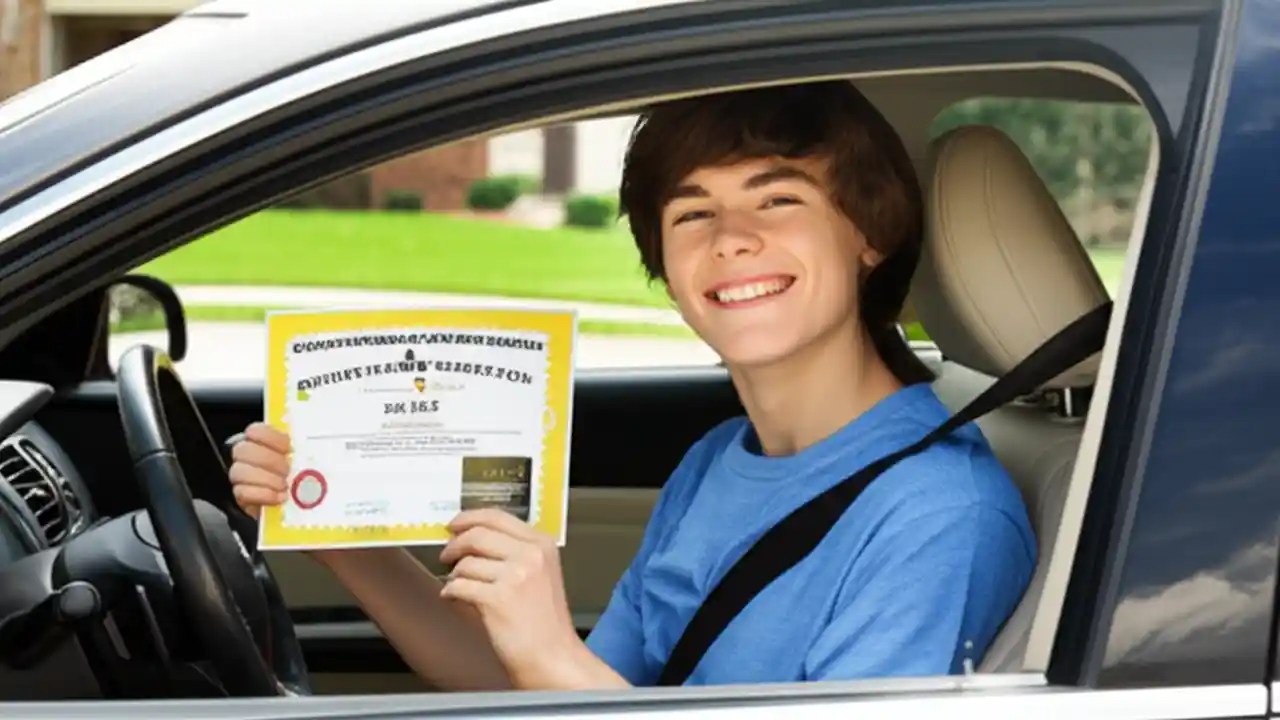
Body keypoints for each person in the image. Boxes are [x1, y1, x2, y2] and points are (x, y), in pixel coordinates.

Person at [229, 80, 1035, 690]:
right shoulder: (720, 459)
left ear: (871, 234)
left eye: (778, 198)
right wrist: (338, 539)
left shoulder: (941, 517)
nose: (732, 241)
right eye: (693, 215)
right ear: (665, 264)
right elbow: (533, 689)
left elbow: (557, 675)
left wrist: (548, 648)